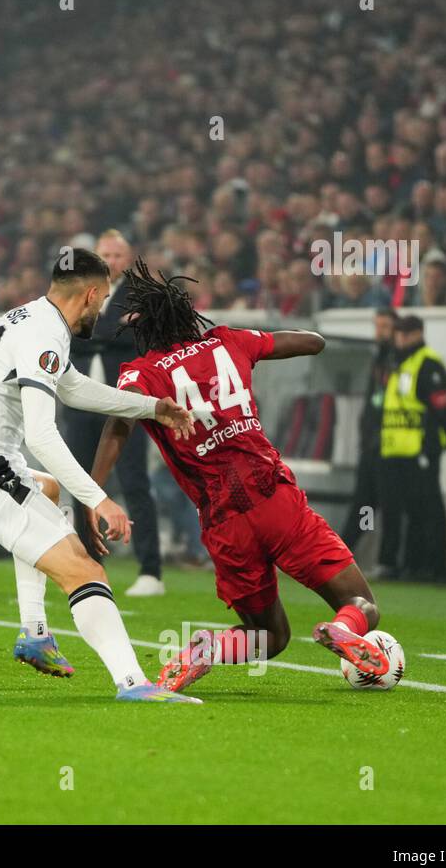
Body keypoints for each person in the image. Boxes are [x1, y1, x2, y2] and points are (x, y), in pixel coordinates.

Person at [89, 259, 393, 693]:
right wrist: (243, 342)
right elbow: (313, 342)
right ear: (189, 316)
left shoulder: (142, 373)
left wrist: (93, 489)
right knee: (360, 602)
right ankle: (344, 627)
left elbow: (119, 422)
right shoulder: (228, 341)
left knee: (271, 636)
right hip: (276, 501)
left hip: (224, 522)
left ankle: (207, 648)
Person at [0, 247, 200, 702]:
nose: (103, 309)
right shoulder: (45, 334)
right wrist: (98, 498)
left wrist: (152, 407)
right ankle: (134, 684)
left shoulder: (28, 317)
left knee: (46, 490)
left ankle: (34, 634)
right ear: (91, 294)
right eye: (105, 298)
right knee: (85, 569)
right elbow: (43, 434)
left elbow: (73, 387)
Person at [62, 230, 164, 596]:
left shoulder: (142, 294)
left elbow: (131, 339)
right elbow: (70, 335)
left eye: (118, 255)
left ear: (129, 258)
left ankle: (150, 570)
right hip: (81, 403)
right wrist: (115, 328)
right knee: (81, 482)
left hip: (125, 404)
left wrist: (96, 331)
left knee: (135, 481)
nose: (112, 261)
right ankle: (91, 563)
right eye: (106, 253)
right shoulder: (81, 292)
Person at [374, 314, 446, 582]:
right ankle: (409, 565)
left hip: (421, 449)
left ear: (418, 334)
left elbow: (443, 406)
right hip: (393, 451)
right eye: (398, 334)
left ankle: (435, 568)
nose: (400, 338)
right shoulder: (395, 362)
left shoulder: (428, 363)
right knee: (402, 511)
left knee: (429, 509)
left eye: (405, 334)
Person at [339, 306, 397, 552]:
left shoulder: (397, 360)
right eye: (377, 326)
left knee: (388, 504)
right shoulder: (379, 358)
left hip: (389, 444)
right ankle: (340, 555)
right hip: (371, 443)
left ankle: (388, 561)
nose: (379, 331)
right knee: (363, 502)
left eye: (385, 326)